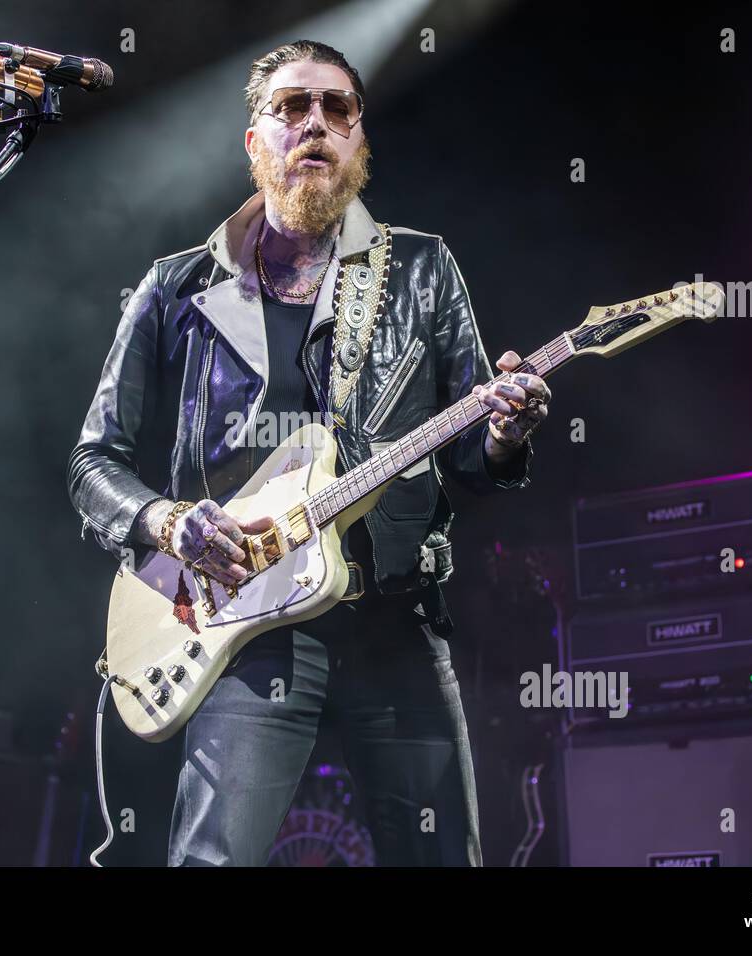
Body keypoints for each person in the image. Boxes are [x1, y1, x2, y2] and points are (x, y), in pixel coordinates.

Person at [68, 40, 551, 866]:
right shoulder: (175, 289)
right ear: (254, 141)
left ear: (360, 142)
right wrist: (167, 521)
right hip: (242, 628)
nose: (315, 124)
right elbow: (92, 462)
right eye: (291, 108)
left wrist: (504, 432)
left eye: (337, 109)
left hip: (394, 617)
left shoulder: (423, 271)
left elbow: (471, 455)